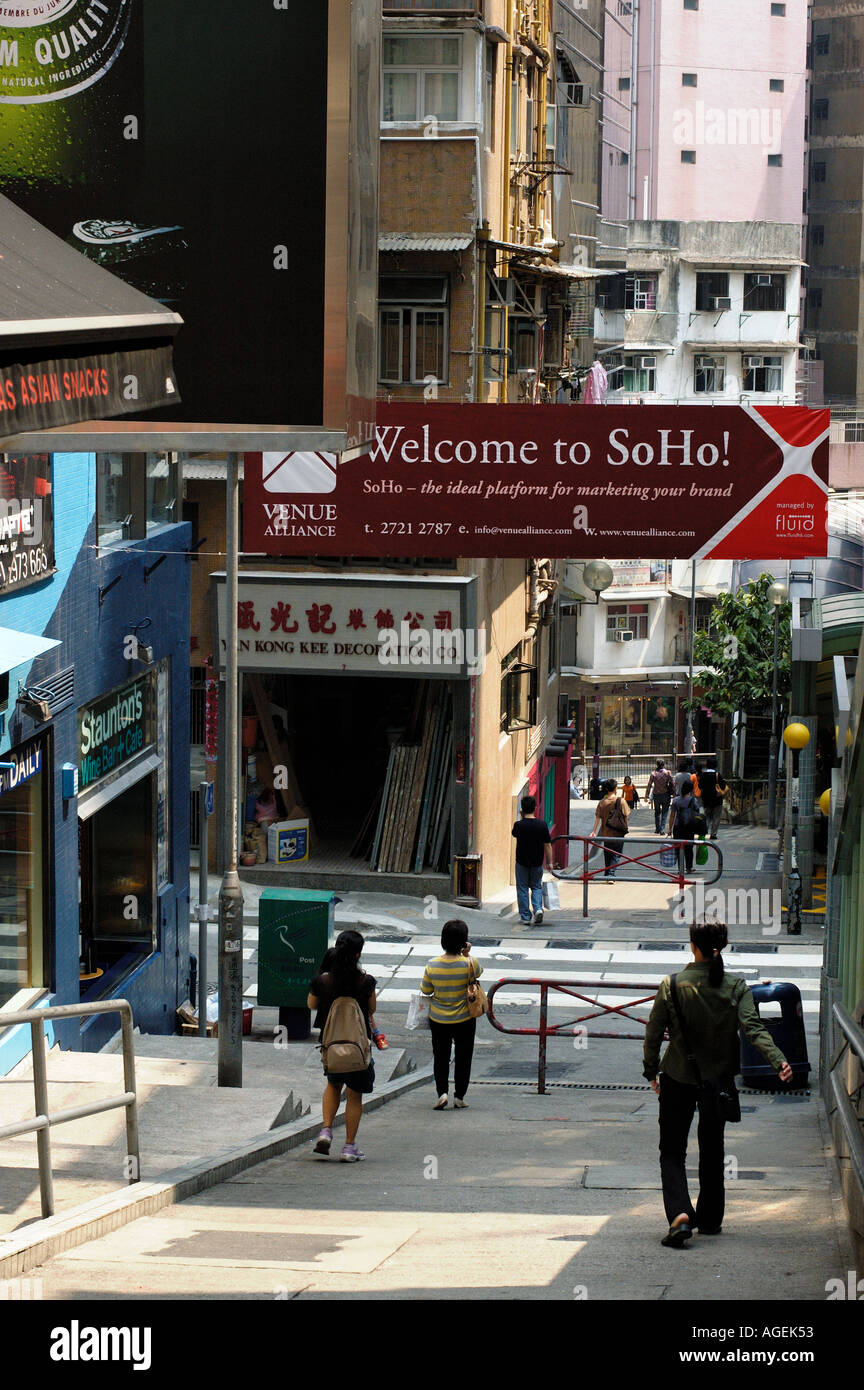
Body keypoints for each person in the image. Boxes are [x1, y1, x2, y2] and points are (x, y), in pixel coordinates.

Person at [643, 919, 793, 1247]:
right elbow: (754, 1028)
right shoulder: (736, 987)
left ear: (692, 945)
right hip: (717, 1082)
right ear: (721, 947)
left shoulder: (672, 984)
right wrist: (779, 1059)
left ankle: (680, 1215)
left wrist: (650, 1071)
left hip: (677, 1077)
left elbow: (653, 1033)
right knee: (713, 1150)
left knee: (672, 1151)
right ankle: (709, 1220)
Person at [307, 930, 377, 1162]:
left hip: (331, 1046)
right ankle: (349, 1147)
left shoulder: (324, 980)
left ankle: (326, 1129)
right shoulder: (365, 981)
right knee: (355, 1096)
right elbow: (371, 1009)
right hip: (358, 1047)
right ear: (358, 955)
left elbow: (311, 1004)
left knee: (333, 1084)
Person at [420, 919, 483, 1110]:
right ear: (464, 941)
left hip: (439, 1019)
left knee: (441, 1056)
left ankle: (442, 1093)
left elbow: (426, 990)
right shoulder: (469, 963)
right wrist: (467, 953)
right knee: (464, 1057)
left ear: (443, 940)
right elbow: (477, 975)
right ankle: (459, 1096)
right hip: (464, 1018)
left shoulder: (432, 965)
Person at [512, 794, 553, 925]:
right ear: (535, 808)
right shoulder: (542, 825)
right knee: (536, 886)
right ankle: (538, 909)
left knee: (522, 888)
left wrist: (521, 817)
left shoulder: (518, 825)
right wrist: (550, 862)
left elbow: (514, 834)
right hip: (537, 862)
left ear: (522, 810)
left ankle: (525, 916)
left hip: (522, 862)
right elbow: (547, 845)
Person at [590, 778, 630, 882]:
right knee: (616, 854)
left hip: (606, 833)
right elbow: (626, 816)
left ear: (607, 789)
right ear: (616, 788)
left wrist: (594, 831)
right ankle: (610, 875)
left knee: (607, 854)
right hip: (618, 833)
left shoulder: (602, 802)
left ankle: (607, 873)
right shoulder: (621, 801)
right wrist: (625, 828)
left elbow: (597, 818)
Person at [668, 779, 701, 873]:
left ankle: (680, 869)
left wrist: (670, 829)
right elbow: (697, 814)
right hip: (689, 827)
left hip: (678, 827)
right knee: (689, 848)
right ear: (691, 789)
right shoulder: (693, 800)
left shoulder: (676, 800)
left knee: (678, 848)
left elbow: (672, 815)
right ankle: (689, 868)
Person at [698, 760, 728, 840]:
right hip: (717, 800)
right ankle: (713, 834)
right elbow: (723, 786)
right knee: (716, 817)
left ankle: (704, 832)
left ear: (707, 765)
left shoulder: (703, 775)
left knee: (707, 817)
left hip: (706, 800)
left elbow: (700, 786)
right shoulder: (718, 775)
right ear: (715, 766)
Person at [646, 760, 675, 835]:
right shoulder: (668, 773)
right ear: (664, 764)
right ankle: (662, 829)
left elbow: (649, 785)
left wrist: (646, 796)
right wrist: (674, 794)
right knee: (665, 812)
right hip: (666, 794)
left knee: (657, 812)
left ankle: (657, 829)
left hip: (656, 795)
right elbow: (672, 783)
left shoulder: (653, 773)